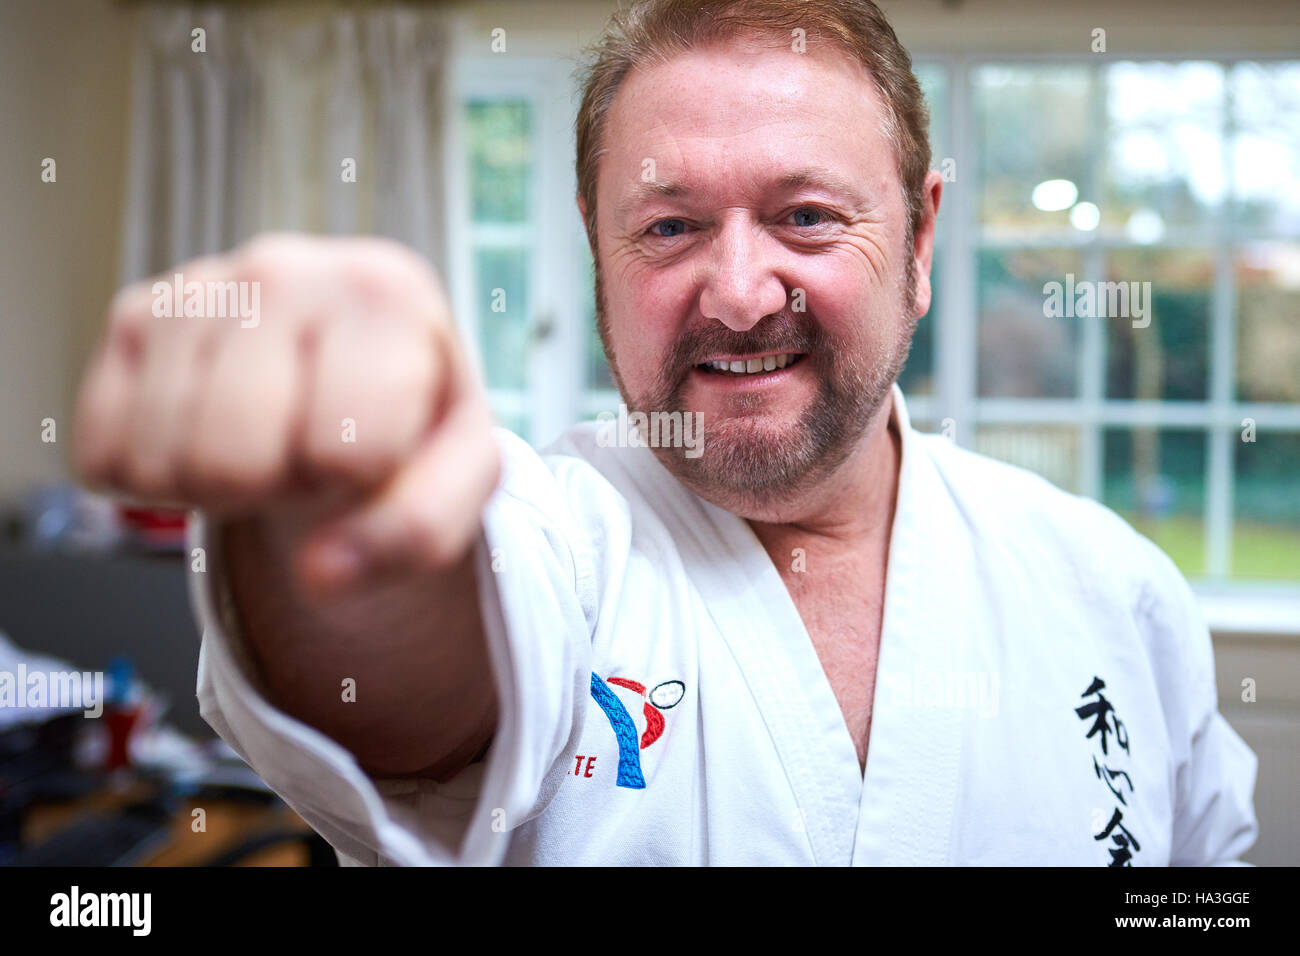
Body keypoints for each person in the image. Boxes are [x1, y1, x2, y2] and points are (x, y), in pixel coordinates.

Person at [72, 0, 1258, 865]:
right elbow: (410, 675)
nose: (738, 291)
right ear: (597, 246)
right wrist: (325, 513)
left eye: (804, 215)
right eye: (671, 226)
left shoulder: (1114, 590)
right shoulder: (559, 533)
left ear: (922, 239)